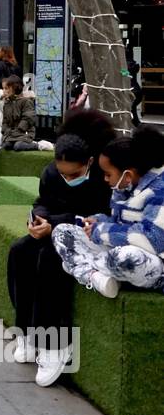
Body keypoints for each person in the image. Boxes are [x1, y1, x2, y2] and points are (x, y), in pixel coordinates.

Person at [6, 110, 114, 387]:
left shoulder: (103, 179)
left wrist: (54, 223)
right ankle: (27, 332)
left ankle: (55, 345)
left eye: (74, 174)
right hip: (54, 229)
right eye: (63, 172)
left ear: (89, 162)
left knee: (50, 259)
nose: (67, 178)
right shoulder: (52, 172)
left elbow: (99, 216)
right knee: (20, 251)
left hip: (87, 237)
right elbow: (43, 201)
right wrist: (37, 219)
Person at [51, 127, 164, 299]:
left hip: (154, 262)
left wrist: (100, 231)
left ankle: (78, 266)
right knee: (62, 232)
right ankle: (95, 276)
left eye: (108, 174)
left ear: (127, 174)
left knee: (126, 257)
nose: (105, 179)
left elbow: (152, 238)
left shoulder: (159, 190)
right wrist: (100, 221)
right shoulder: (124, 186)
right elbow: (119, 224)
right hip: (116, 252)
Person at [0, 75, 54, 152]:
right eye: (3, 88)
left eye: (7, 88)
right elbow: (5, 121)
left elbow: (28, 118)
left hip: (24, 132)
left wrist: (20, 129)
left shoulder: (26, 101)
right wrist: (5, 130)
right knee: (6, 146)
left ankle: (39, 145)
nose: (4, 91)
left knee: (18, 146)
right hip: (12, 134)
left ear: (15, 88)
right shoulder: (7, 103)